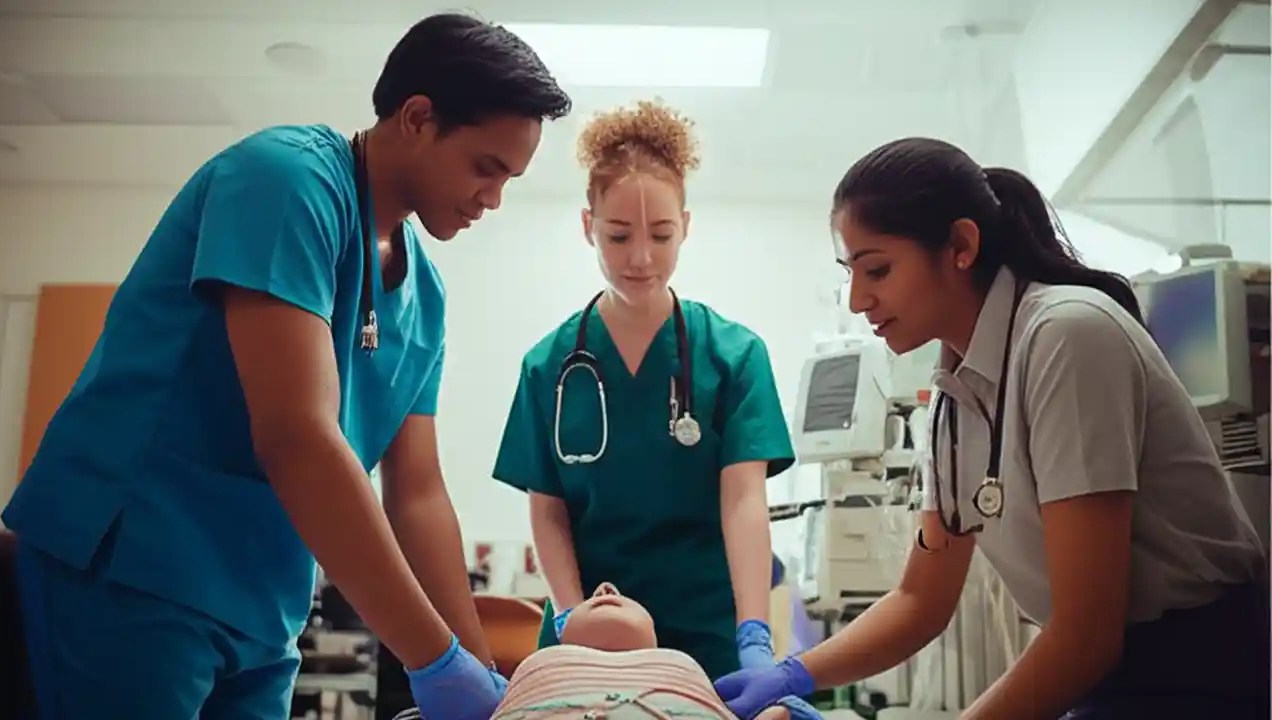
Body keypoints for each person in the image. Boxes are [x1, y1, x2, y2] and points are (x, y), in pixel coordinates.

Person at [3, 12, 570, 720]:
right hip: (136, 564)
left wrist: (479, 675)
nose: (494, 198)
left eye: (510, 178)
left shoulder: (423, 296)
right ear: (418, 118)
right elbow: (297, 436)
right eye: (486, 167)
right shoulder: (286, 181)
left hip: (263, 608)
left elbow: (418, 494)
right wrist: (433, 658)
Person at [711, 137, 1270, 719]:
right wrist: (795, 674)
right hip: (1109, 682)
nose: (857, 300)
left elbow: (1086, 635)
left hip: (1203, 681)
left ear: (961, 245)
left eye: (877, 269)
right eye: (850, 273)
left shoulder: (1068, 336)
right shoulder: (955, 396)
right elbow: (920, 598)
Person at [491, 99, 797, 683]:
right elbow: (548, 511)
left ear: (686, 225)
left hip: (707, 632)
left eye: (661, 235)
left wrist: (754, 633)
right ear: (588, 226)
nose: (640, 257)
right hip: (588, 635)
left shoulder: (734, 356)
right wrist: (570, 617)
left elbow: (744, 502)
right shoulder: (548, 366)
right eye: (617, 235)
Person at [392, 583, 822, 719]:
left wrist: (784, 705)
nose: (605, 588)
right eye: (591, 600)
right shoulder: (531, 671)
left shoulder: (687, 670)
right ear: (560, 638)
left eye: (624, 598)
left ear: (656, 642)